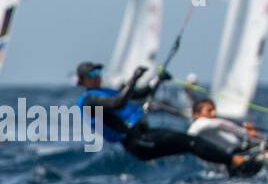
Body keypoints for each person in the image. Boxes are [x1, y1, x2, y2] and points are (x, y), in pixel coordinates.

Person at [75, 62, 244, 173]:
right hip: (137, 142)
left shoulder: (105, 91)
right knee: (191, 143)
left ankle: (231, 163)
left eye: (98, 72)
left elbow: (142, 93)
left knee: (190, 143)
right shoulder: (90, 99)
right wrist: (134, 78)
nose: (97, 76)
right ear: (82, 80)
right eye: (91, 74)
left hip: (144, 135)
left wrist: (158, 80)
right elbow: (118, 103)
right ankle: (234, 161)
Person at [187, 98, 265, 177]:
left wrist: (248, 133)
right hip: (234, 164)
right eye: (209, 110)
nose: (214, 113)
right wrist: (245, 132)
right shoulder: (199, 124)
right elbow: (220, 123)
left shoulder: (208, 129)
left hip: (230, 166)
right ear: (196, 115)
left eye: (214, 110)